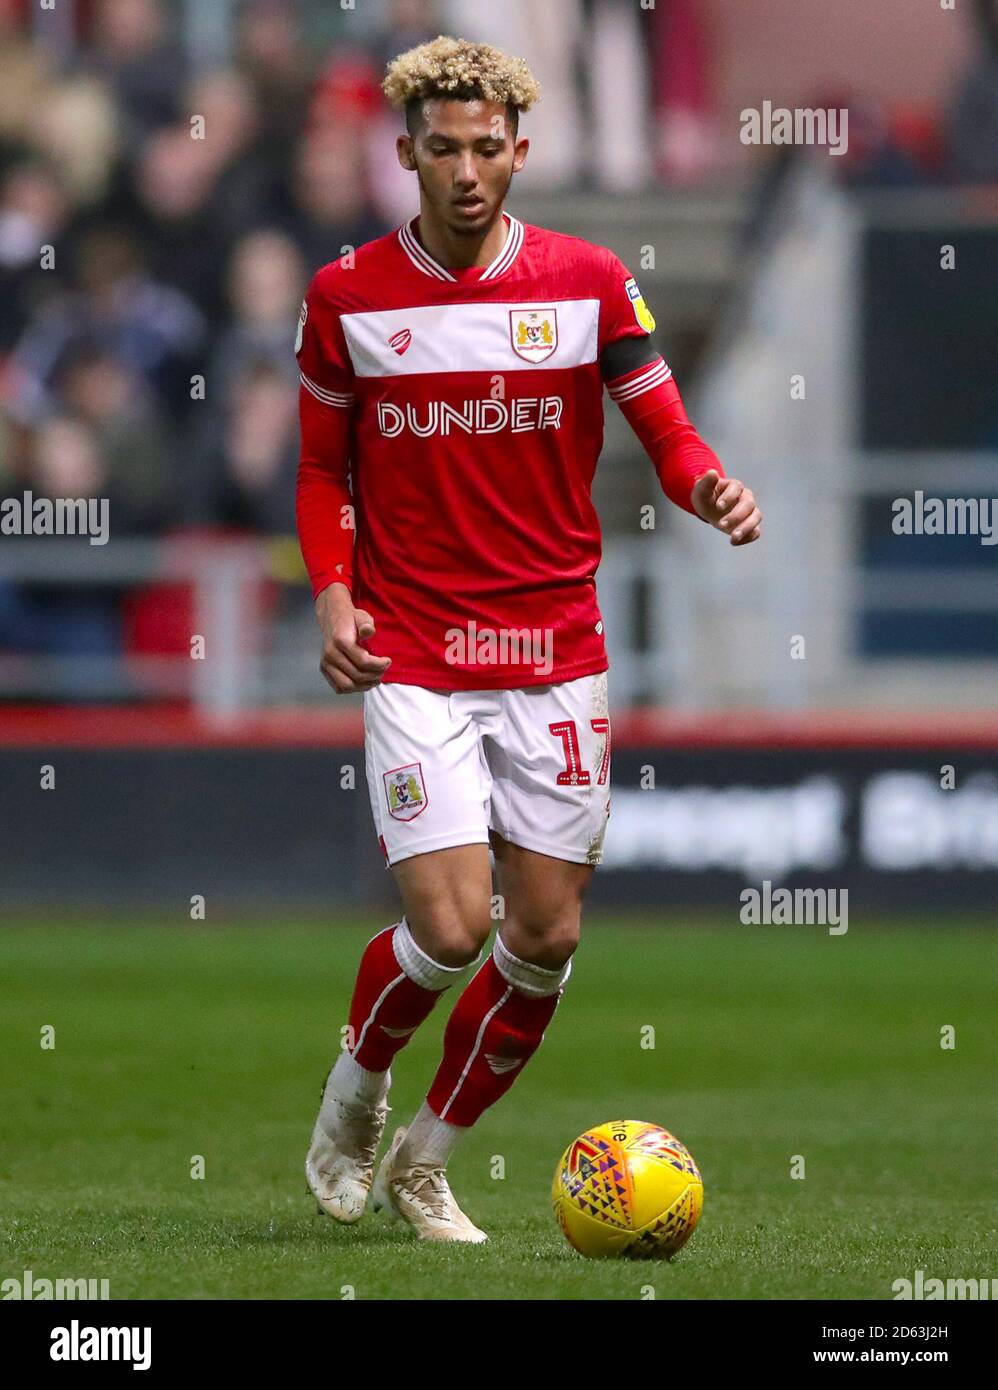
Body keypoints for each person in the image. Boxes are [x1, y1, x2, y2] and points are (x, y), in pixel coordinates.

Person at [295, 35, 761, 1244]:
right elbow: (317, 467)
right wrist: (332, 592)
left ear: (519, 151)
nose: (463, 169)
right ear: (404, 153)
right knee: (451, 929)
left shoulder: (590, 279)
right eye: (440, 149)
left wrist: (705, 484)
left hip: (554, 649)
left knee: (543, 935)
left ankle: (424, 1159)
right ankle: (352, 1097)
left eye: (484, 148)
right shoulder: (346, 296)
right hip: (415, 653)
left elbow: (665, 428)